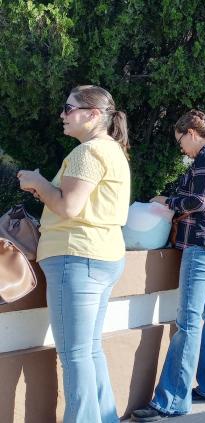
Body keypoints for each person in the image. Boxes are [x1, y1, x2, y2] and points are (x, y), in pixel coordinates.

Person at [17, 85, 130, 423]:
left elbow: (68, 207)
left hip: (76, 256)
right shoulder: (112, 150)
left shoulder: (88, 152)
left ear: (93, 114)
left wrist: (37, 182)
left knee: (76, 355)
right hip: (101, 255)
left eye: (68, 108)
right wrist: (46, 189)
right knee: (89, 350)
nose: (62, 115)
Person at [131, 110, 205, 422]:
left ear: (191, 133)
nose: (182, 149)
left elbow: (197, 201)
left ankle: (171, 402)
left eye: (181, 142)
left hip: (200, 245)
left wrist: (166, 202)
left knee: (188, 323)